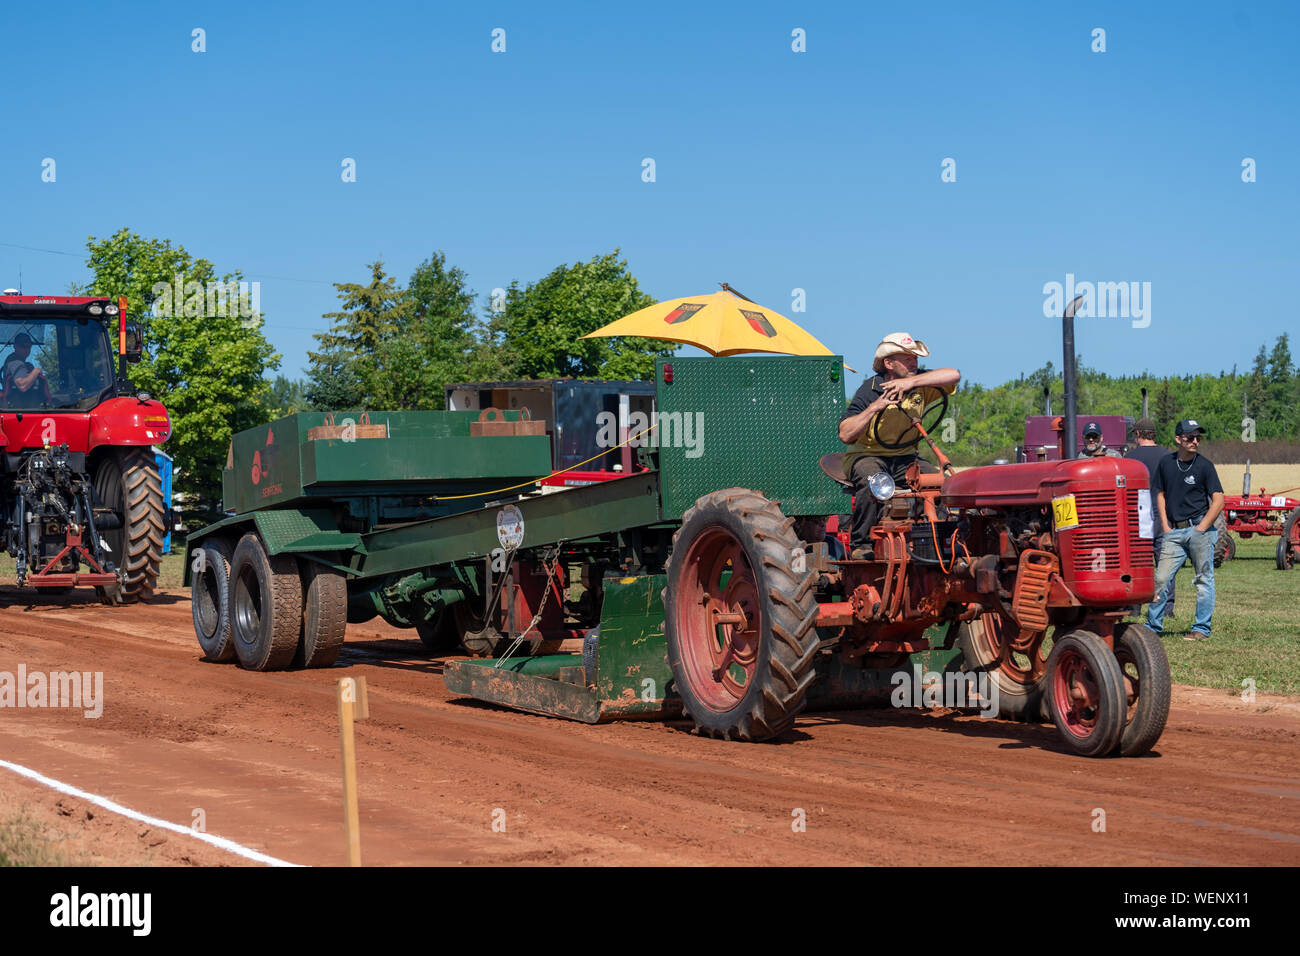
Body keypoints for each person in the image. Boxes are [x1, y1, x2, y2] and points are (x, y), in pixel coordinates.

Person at [839, 332, 960, 559]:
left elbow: (953, 375)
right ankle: (861, 545)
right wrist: (876, 406)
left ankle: (939, 539)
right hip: (867, 455)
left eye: (914, 357)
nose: (913, 362)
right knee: (872, 480)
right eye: (906, 358)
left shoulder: (920, 383)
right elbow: (845, 433)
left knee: (938, 483)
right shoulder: (871, 388)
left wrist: (911, 381)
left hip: (905, 457)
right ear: (889, 363)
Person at [1147, 419, 1224, 641]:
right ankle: (1153, 627)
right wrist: (1165, 525)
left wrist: (1201, 527)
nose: (1195, 441)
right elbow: (1160, 494)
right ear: (1178, 439)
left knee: (1204, 579)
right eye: (1190, 437)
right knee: (1161, 579)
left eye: (1198, 437)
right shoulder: (1166, 463)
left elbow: (1218, 500)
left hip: (1198, 530)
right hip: (1173, 532)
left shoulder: (1205, 466)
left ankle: (1201, 629)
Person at [1125, 418, 1174, 617]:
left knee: (1137, 564)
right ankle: (1166, 609)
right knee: (1166, 564)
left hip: (1138, 519)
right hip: (1163, 517)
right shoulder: (1168, 457)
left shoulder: (1129, 458)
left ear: (1138, 434)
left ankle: (1134, 608)